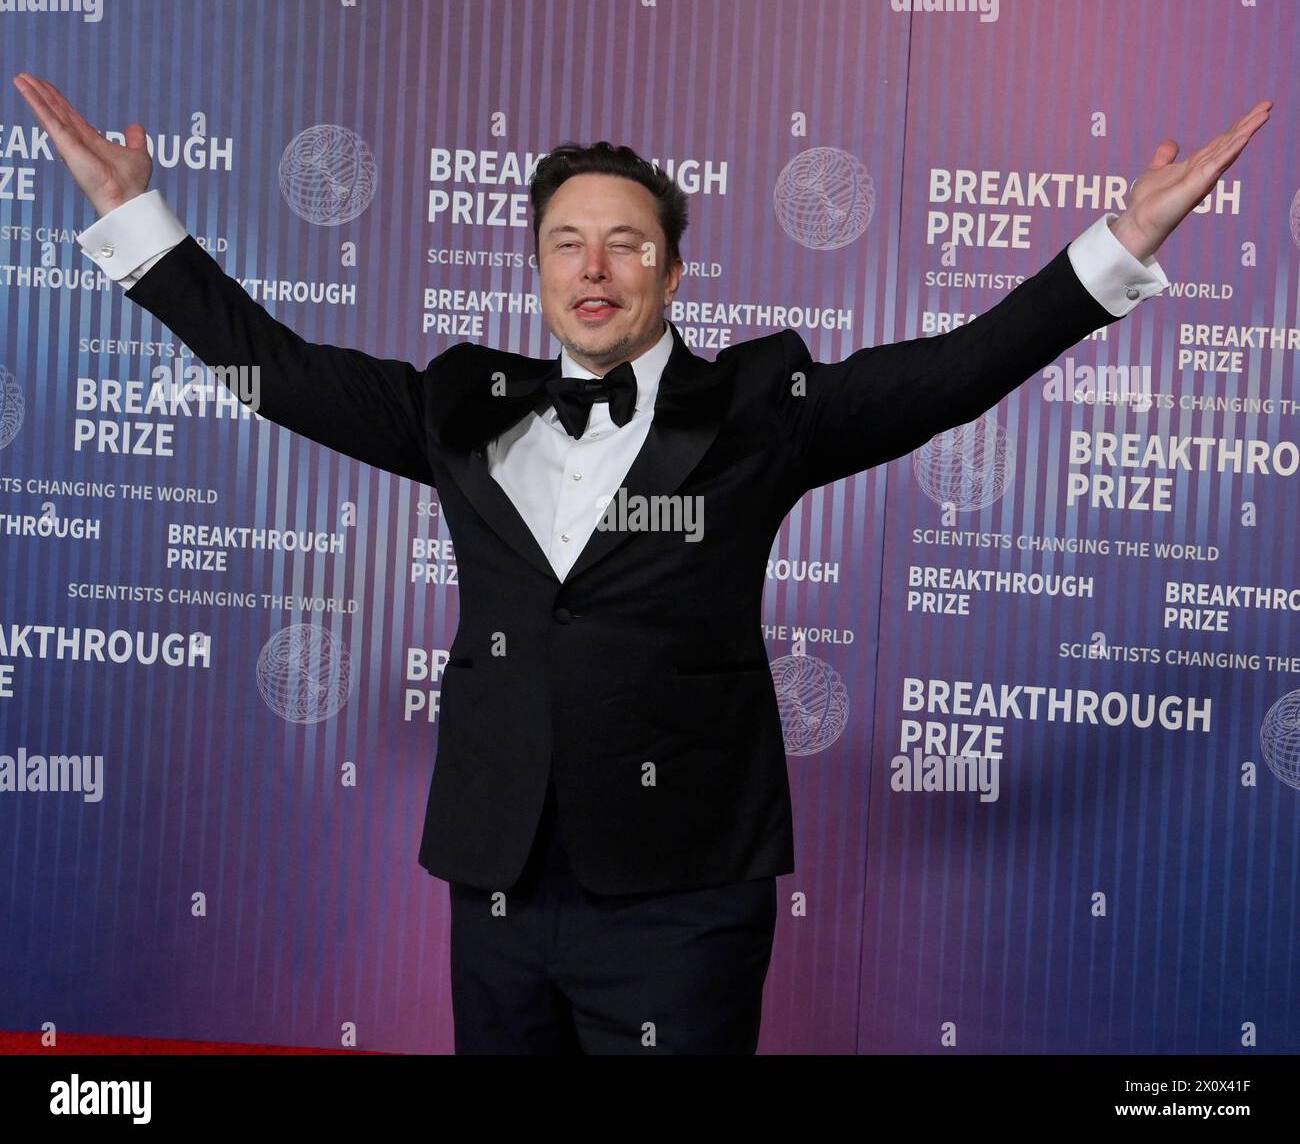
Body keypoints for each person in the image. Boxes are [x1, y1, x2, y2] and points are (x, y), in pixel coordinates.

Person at [12, 72, 1272, 1054]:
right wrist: (140, 225)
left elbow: (954, 373)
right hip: (498, 889)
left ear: (672, 267)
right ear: (538, 268)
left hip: (681, 897)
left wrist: (1112, 249)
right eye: (566, 242)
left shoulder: (759, 410)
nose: (595, 266)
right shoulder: (461, 406)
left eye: (624, 242)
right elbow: (272, 374)